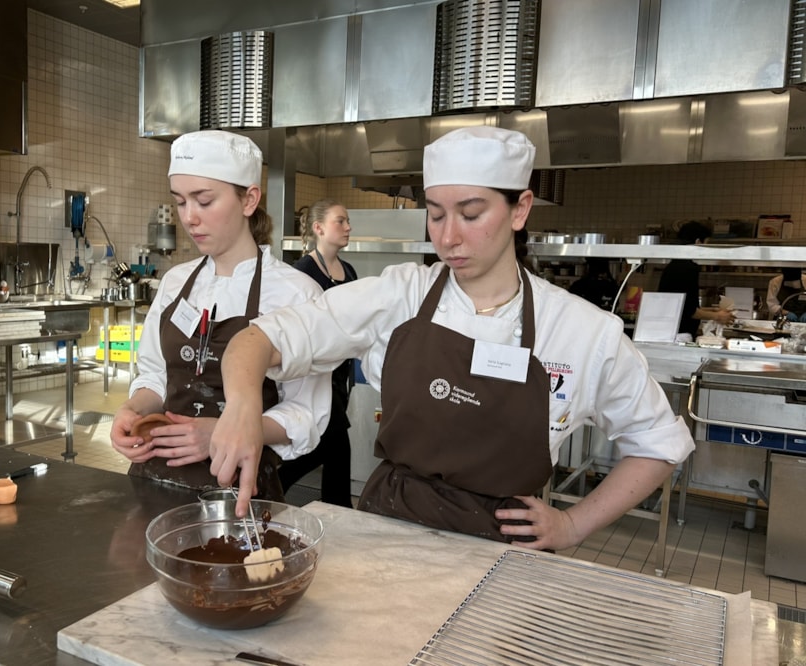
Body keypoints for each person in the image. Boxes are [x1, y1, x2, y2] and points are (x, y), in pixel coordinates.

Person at [208, 126, 695, 553]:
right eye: (436, 214)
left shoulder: (583, 330)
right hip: (389, 531)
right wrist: (242, 407)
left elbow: (658, 443)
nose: (448, 238)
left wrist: (571, 524)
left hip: (505, 550)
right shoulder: (401, 294)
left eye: (471, 213)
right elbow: (258, 340)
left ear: (519, 209)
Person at [109, 130, 331, 500]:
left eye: (205, 201)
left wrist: (228, 431)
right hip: (153, 480)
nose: (190, 218)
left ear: (249, 200)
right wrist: (132, 410)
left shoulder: (295, 293)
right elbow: (156, 375)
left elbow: (305, 411)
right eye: (180, 202)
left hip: (240, 487)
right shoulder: (175, 282)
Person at [278, 200, 358, 507]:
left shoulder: (348, 270)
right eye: (341, 221)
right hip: (313, 374)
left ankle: (333, 508)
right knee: (337, 446)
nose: (348, 227)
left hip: (340, 372)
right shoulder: (303, 273)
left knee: (330, 446)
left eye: (348, 221)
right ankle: (337, 508)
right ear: (319, 228)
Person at [657, 221, 735, 338]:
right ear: (698, 242)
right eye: (706, 243)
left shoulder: (674, 264)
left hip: (668, 330)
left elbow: (684, 304)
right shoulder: (688, 267)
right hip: (680, 334)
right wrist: (717, 316)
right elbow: (688, 310)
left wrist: (712, 311)